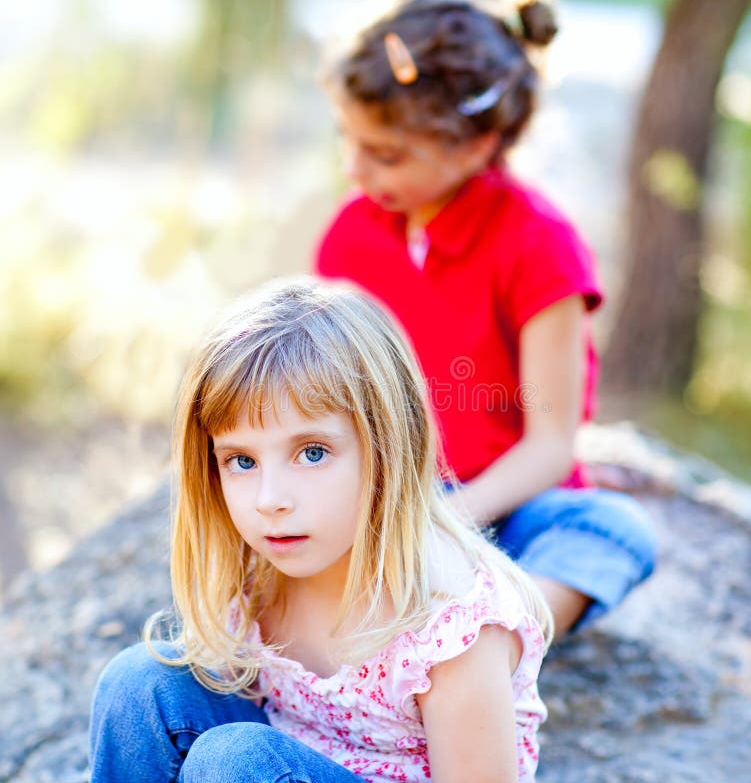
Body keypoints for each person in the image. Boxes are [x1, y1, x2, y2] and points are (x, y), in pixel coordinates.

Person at [89, 278, 553, 783]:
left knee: (236, 762)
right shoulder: (261, 576)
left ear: (388, 444)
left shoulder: (449, 624)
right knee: (141, 682)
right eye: (241, 460)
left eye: (312, 453)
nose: (271, 500)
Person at [315, 0, 657, 637]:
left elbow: (551, 443)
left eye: (384, 155)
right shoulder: (350, 235)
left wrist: (443, 524)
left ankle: (493, 648)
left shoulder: (539, 247)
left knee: (613, 531)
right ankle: (405, 622)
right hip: (385, 499)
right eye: (347, 139)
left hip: (504, 506)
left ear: (476, 144)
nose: (354, 170)